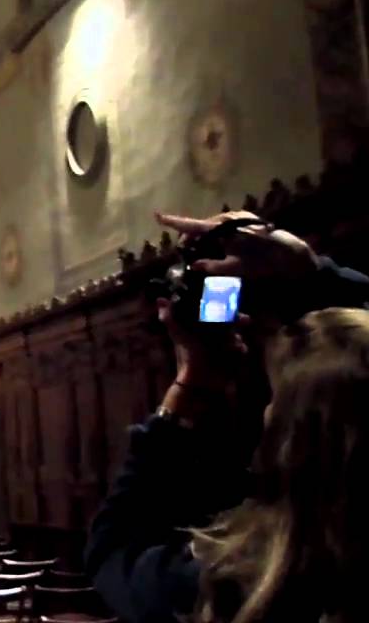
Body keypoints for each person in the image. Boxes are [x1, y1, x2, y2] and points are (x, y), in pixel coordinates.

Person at [86, 211, 369, 623]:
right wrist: (316, 276)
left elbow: (115, 546)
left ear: (287, 445)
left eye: (275, 405)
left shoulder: (229, 585)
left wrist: (192, 381)